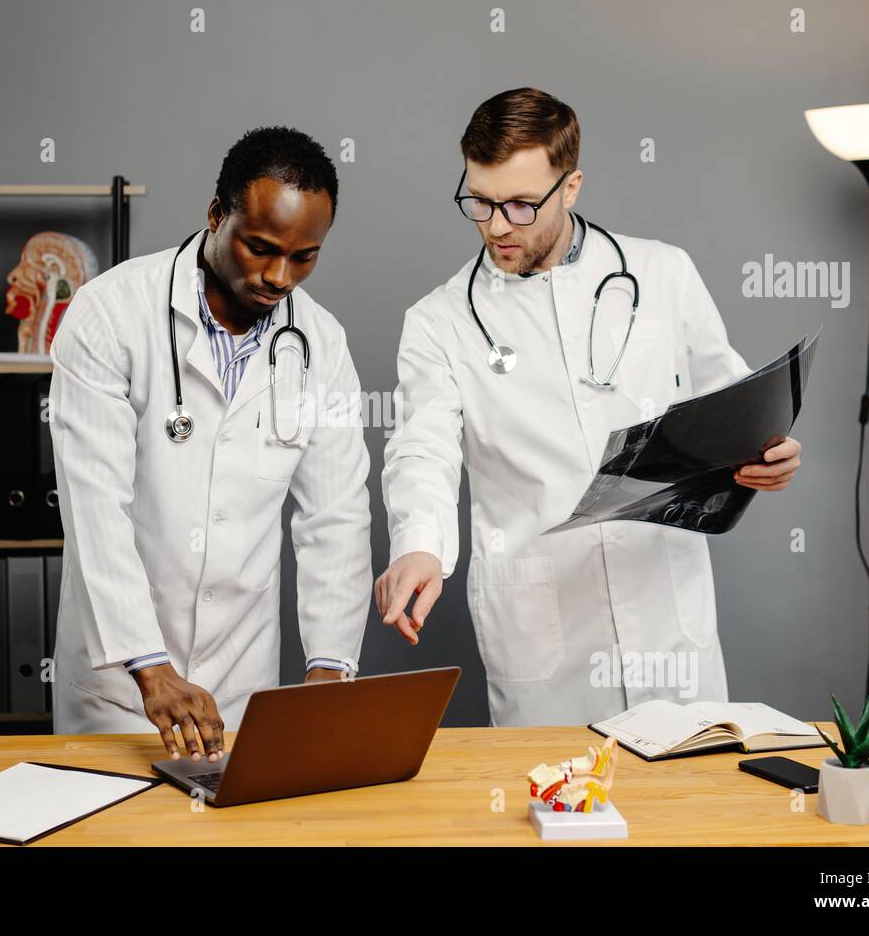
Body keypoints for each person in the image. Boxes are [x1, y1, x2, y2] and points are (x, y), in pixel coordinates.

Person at [376, 88, 803, 725]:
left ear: (570, 187)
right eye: (479, 201)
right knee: (559, 812)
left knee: (687, 811)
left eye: (521, 205)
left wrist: (773, 449)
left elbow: (735, 400)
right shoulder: (439, 321)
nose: (496, 225)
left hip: (665, 616)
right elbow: (423, 447)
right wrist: (419, 545)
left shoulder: (663, 274)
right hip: (543, 631)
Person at [49, 127, 372, 761]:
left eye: (304, 256)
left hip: (243, 685)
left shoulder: (321, 343)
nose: (280, 276)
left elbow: (335, 519)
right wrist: (151, 668)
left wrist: (328, 670)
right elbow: (95, 511)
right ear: (215, 216)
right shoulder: (110, 314)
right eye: (260, 247)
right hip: (120, 686)